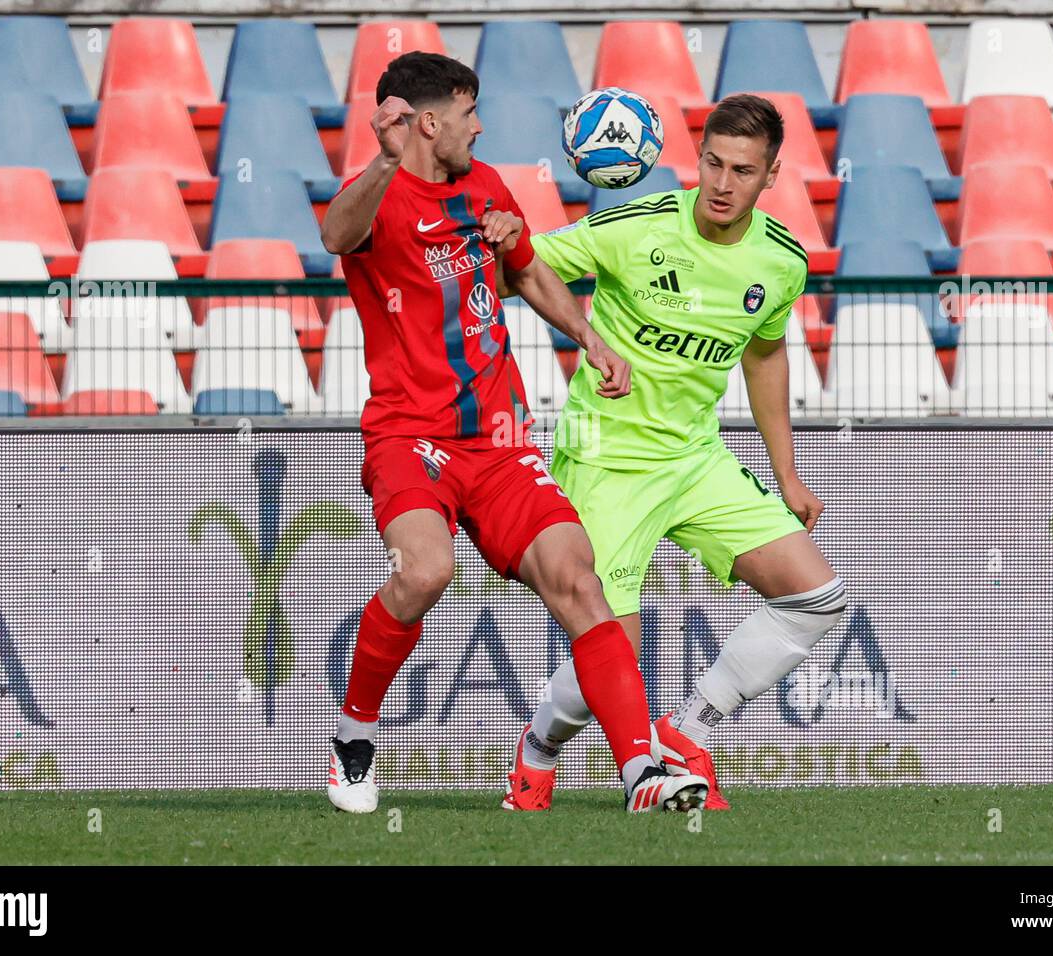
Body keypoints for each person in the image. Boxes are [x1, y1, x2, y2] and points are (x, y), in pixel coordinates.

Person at [319, 51, 708, 814]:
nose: (480, 125)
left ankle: (641, 772)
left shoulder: (488, 185)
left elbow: (528, 271)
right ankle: (353, 737)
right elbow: (336, 235)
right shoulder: (379, 197)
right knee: (424, 573)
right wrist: (383, 161)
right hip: (409, 438)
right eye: (468, 113)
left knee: (578, 577)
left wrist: (589, 340)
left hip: (498, 440)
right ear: (429, 123)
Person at [497, 94, 847, 811]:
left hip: (696, 458)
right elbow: (523, 266)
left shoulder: (780, 262)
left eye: (743, 171)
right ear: (697, 161)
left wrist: (787, 474)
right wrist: (505, 240)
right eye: (713, 164)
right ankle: (536, 749)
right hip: (606, 460)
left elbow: (766, 356)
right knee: (609, 655)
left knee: (817, 597)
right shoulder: (634, 226)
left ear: (771, 175)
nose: (723, 184)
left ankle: (689, 730)